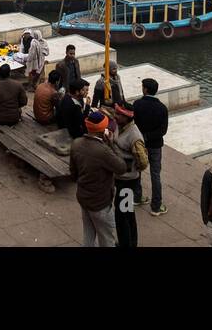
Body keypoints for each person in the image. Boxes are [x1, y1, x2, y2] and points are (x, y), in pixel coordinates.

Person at [69, 109, 126, 247]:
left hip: (83, 197)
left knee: (88, 235)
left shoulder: (76, 143)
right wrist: (112, 144)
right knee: (107, 239)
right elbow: (122, 167)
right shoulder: (103, 151)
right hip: (100, 203)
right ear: (103, 129)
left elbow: (73, 173)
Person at [112, 101, 148, 248]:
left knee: (122, 216)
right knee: (128, 213)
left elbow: (143, 162)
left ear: (127, 117)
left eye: (119, 114)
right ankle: (131, 242)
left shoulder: (134, 136)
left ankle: (126, 244)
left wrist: (131, 169)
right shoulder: (120, 127)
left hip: (127, 182)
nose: (116, 116)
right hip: (121, 179)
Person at [133, 77, 169, 215]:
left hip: (139, 144)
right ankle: (156, 206)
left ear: (145, 89)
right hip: (155, 145)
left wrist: (142, 137)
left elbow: (133, 124)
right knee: (155, 175)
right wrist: (149, 136)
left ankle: (137, 197)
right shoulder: (162, 108)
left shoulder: (137, 104)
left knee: (137, 170)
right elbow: (163, 131)